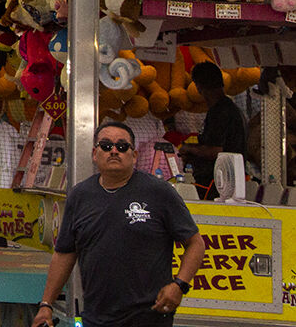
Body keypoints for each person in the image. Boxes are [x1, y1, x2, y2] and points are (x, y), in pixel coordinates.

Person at [32, 120, 206, 327]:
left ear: (134, 155)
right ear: (94, 154)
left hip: (149, 317)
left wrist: (179, 286)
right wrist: (46, 305)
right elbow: (64, 253)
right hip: (96, 318)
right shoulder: (80, 196)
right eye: (106, 146)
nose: (114, 151)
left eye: (122, 146)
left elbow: (196, 244)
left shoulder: (159, 193)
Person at [181, 61, 247, 199]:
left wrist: (188, 149)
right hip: (227, 182)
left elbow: (215, 151)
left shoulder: (221, 112)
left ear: (199, 87)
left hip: (217, 184)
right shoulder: (228, 109)